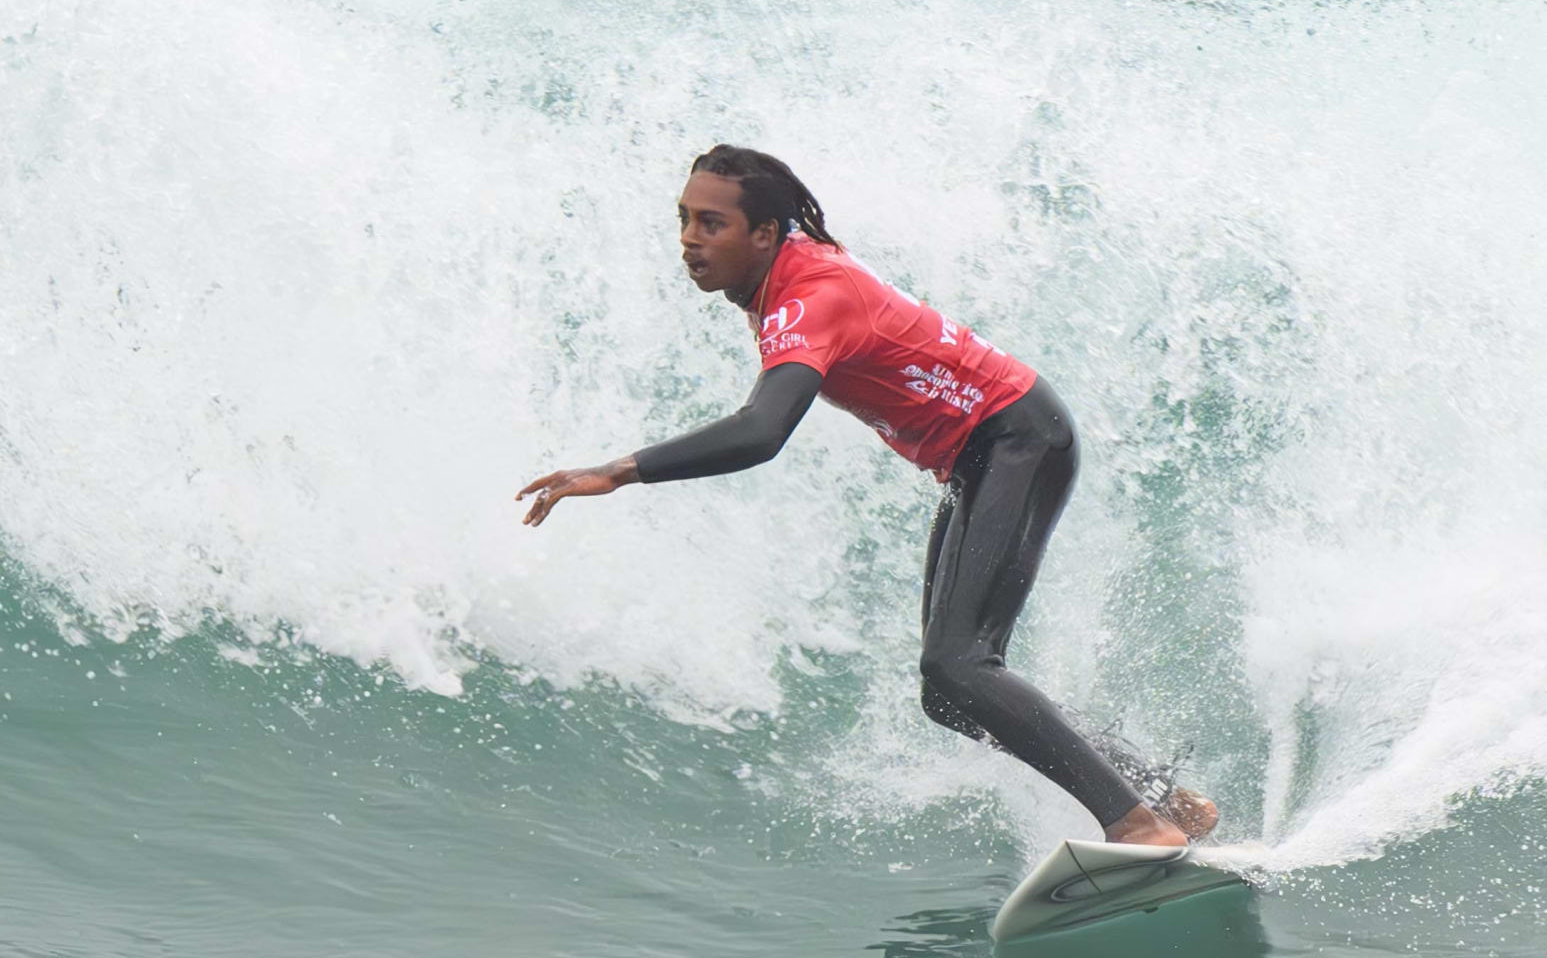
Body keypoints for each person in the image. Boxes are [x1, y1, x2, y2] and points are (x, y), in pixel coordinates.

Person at [520, 146, 1217, 850]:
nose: (690, 240)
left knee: (960, 663)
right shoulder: (787, 273)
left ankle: (1136, 822)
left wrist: (618, 471)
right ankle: (1166, 801)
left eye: (711, 223)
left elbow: (762, 431)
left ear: (766, 233)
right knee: (948, 691)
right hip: (983, 453)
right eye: (685, 220)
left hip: (1018, 438)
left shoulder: (809, 299)